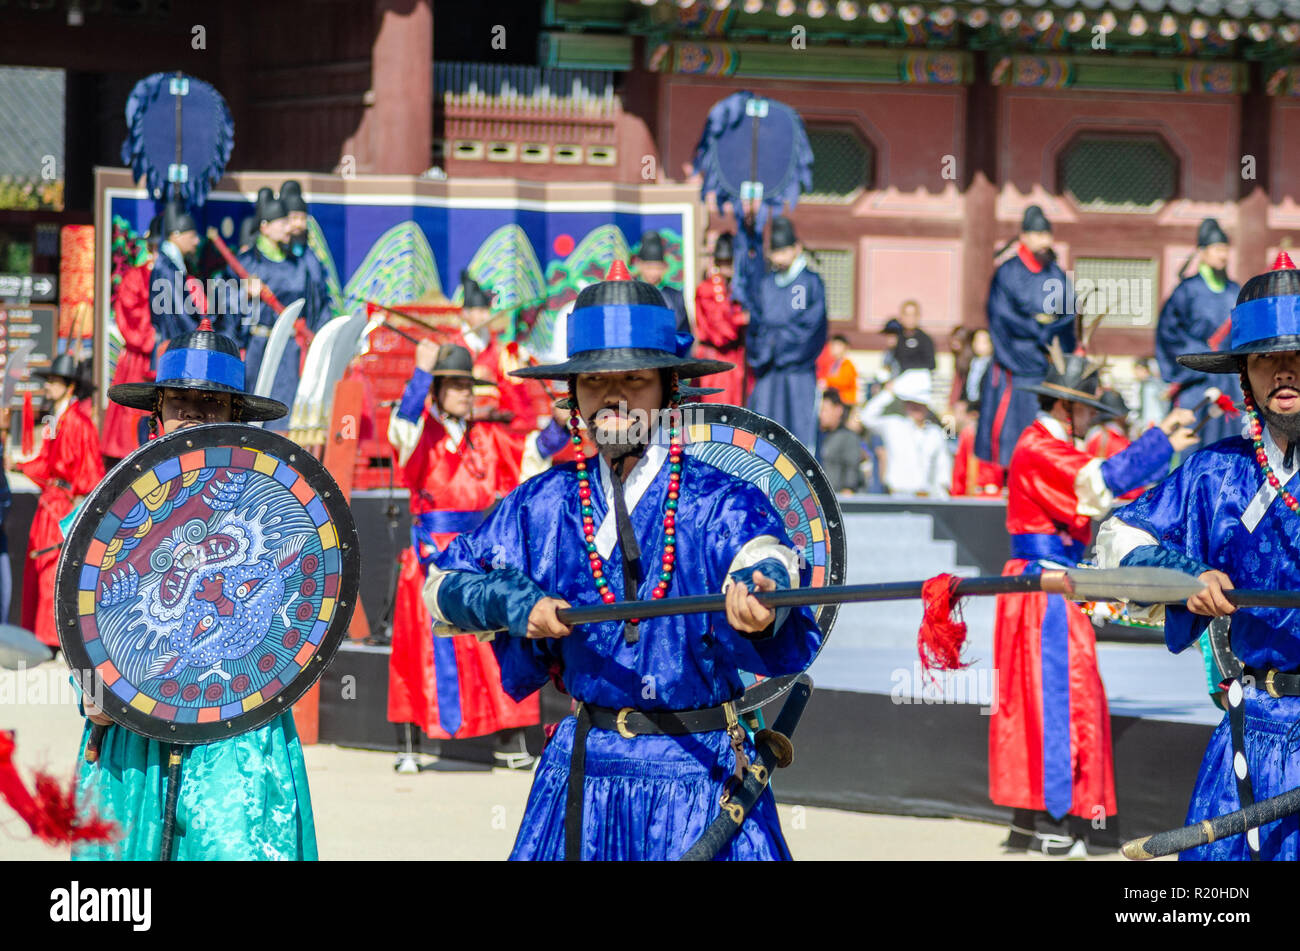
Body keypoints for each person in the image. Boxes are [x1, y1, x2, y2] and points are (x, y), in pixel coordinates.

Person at [426, 261, 822, 860]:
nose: (612, 397)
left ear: (669, 389)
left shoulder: (717, 500)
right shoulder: (544, 502)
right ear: (573, 399)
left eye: (634, 380)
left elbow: (768, 557)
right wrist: (513, 603)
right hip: (583, 773)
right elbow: (443, 587)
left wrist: (759, 596)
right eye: (594, 383)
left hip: (701, 777)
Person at [73, 319, 317, 860]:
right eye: (184, 405)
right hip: (134, 734)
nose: (197, 418)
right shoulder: (107, 514)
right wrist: (93, 697)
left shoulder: (272, 503)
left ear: (235, 416)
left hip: (240, 733)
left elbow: (306, 600)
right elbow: (78, 620)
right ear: (157, 414)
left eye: (213, 406)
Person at [1095, 253, 1300, 860]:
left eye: (1297, 357)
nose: (1283, 372)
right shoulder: (1216, 474)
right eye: (1266, 358)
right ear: (1245, 377)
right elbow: (1118, 539)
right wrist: (1187, 576)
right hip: (1250, 730)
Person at [989, 346, 1195, 856]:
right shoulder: (1039, 446)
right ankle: (1058, 821)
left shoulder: (1043, 443)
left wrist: (1160, 450)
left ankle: (1036, 821)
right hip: (1044, 588)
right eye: (1085, 410)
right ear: (1066, 408)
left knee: (1040, 700)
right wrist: (1160, 441)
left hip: (1046, 586)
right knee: (1060, 698)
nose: (1089, 420)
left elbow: (1104, 483)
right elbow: (1101, 482)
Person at [386, 341, 540, 771]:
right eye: (454, 385)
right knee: (420, 650)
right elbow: (400, 427)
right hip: (430, 553)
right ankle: (411, 746)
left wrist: (560, 426)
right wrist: (420, 373)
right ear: (435, 391)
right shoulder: (419, 433)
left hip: (475, 550)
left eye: (468, 386)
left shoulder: (484, 436)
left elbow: (531, 457)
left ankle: (510, 743)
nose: (465, 394)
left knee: (490, 643)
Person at [12, 354, 104, 649]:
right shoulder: (57, 419)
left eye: (54, 381)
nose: (48, 386)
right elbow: (45, 464)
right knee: (40, 568)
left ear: (69, 386)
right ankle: (42, 636)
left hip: (64, 505)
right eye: (49, 381)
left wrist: (78, 510)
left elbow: (90, 474)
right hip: (49, 502)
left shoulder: (79, 422)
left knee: (55, 568)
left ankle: (55, 637)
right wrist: (21, 464)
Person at [975, 205, 1076, 468]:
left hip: (1045, 362)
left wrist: (1052, 339)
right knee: (1011, 432)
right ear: (1024, 237)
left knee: (1045, 437)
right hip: (1016, 361)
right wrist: (1036, 328)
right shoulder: (1007, 272)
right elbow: (1001, 316)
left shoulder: (1056, 274)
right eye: (1038, 234)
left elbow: (1068, 315)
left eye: (1047, 234)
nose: (1045, 241)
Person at [238, 196, 330, 432]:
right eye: (282, 222)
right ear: (265, 226)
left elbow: (315, 304)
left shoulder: (298, 264)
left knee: (282, 414)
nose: (289, 227)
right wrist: (244, 294)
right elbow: (221, 304)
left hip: (288, 348)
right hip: (257, 345)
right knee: (252, 411)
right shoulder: (246, 262)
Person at [1156, 218, 1243, 446]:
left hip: (1230, 380)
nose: (1222, 255)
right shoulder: (1186, 291)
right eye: (1217, 249)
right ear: (1202, 252)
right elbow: (1168, 334)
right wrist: (1202, 354)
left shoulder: (1235, 291)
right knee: (1191, 441)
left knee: (1232, 441)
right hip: (1197, 377)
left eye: (1225, 249)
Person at [744, 216, 828, 450]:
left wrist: (776, 343)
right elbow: (757, 323)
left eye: (783, 251)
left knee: (798, 436)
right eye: (775, 252)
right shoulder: (766, 284)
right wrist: (765, 347)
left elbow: (808, 326)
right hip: (769, 371)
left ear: (796, 249)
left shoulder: (806, 283)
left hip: (797, 371)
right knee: (763, 430)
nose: (778, 258)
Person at [103, 215, 160, 464]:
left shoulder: (179, 278)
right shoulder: (135, 277)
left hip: (164, 358)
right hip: (139, 359)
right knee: (132, 419)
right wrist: (156, 335)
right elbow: (129, 314)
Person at [858, 368, 951, 497]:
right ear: (905, 404)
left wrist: (942, 499)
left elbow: (942, 471)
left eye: (920, 404)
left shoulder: (935, 433)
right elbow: (866, 417)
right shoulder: (893, 425)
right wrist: (889, 392)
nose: (916, 408)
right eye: (911, 404)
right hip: (897, 496)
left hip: (925, 498)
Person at [693, 232, 749, 405]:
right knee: (718, 413)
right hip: (716, 359)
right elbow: (723, 331)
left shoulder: (738, 287)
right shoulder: (708, 289)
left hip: (737, 358)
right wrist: (743, 318)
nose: (728, 267)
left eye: (730, 262)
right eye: (724, 262)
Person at [634, 230, 690, 333]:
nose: (654, 273)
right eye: (649, 267)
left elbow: (684, 332)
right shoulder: (631, 293)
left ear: (664, 267)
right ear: (639, 265)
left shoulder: (674, 296)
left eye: (658, 267)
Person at [949, 397, 1004, 497]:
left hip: (997, 495)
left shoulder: (1000, 434)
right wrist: (957, 497)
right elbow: (960, 472)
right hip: (975, 494)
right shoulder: (969, 435)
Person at [817, 389, 864, 495]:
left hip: (838, 500)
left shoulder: (848, 437)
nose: (820, 415)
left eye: (824, 410)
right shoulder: (818, 437)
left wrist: (848, 490)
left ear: (838, 410)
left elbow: (852, 469)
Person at [888, 301, 936, 375]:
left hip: (917, 379)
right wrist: (892, 349)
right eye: (907, 315)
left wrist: (908, 369)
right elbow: (891, 363)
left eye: (913, 315)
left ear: (918, 316)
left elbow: (931, 364)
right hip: (898, 378)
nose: (910, 318)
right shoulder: (897, 338)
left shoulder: (925, 339)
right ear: (901, 316)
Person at [818, 333, 858, 408]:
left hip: (845, 402)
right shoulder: (832, 364)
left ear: (846, 348)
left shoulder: (847, 364)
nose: (834, 348)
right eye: (832, 345)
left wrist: (827, 382)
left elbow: (843, 381)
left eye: (838, 345)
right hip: (835, 401)